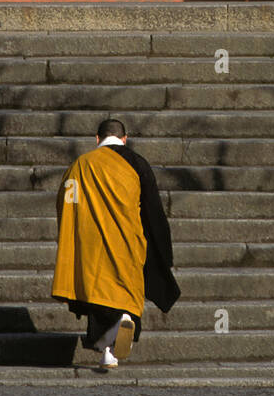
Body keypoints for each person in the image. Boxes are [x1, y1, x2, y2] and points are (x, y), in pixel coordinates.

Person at [51, 117, 181, 370]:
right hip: (128, 242)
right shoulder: (137, 164)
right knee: (125, 291)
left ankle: (107, 348)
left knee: (98, 294)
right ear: (125, 139)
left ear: (97, 139)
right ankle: (119, 329)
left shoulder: (81, 164)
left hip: (91, 245)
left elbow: (66, 201)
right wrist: (163, 249)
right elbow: (153, 211)